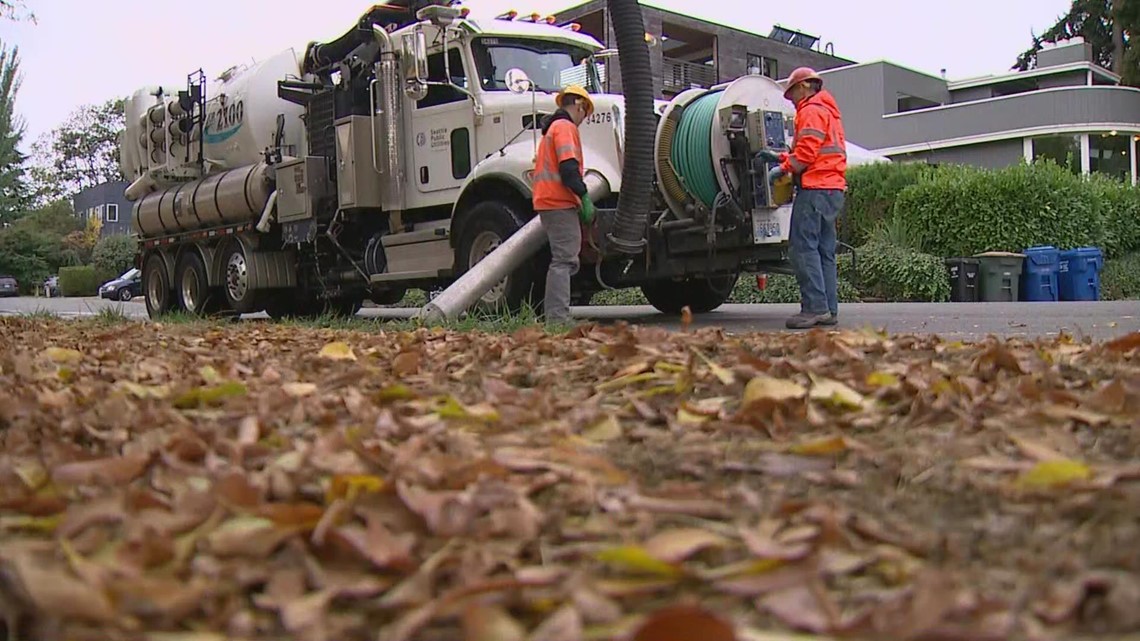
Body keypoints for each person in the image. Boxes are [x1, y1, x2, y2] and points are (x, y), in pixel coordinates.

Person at [766, 67, 848, 329]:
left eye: (791, 95)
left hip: (815, 188)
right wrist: (780, 157)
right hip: (832, 189)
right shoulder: (828, 111)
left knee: (802, 248)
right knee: (824, 251)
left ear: (803, 87)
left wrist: (784, 168)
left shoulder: (811, 110)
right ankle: (828, 309)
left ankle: (813, 308)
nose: (791, 101)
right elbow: (817, 149)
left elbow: (807, 153)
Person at [531, 84, 597, 326]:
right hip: (557, 201)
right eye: (585, 113)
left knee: (562, 258)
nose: (583, 119)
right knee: (565, 259)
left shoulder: (553, 129)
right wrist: (585, 197)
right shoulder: (565, 128)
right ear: (579, 105)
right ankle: (558, 319)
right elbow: (568, 170)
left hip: (550, 200)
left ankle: (555, 316)